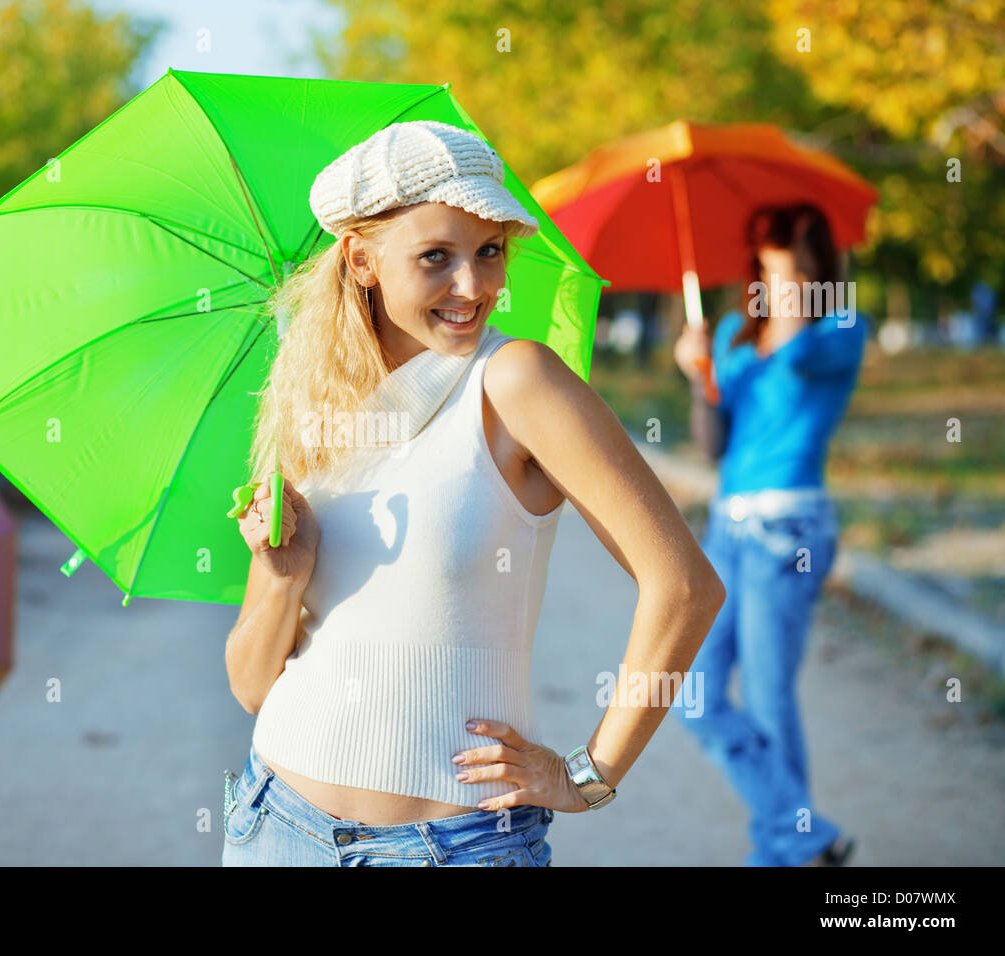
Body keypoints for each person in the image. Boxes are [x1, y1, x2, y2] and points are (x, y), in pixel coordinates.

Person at [221, 121, 725, 866]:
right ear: (362, 259)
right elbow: (254, 687)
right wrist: (281, 575)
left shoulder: (515, 381)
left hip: (453, 849)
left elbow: (685, 586)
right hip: (274, 828)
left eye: (489, 251)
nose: (476, 286)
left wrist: (589, 774)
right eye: (437, 257)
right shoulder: (313, 409)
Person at [672, 202, 866, 867]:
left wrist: (787, 299)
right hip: (727, 529)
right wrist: (697, 374)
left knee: (766, 696)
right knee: (693, 692)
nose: (771, 277)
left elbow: (800, 358)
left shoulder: (840, 327)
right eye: (762, 263)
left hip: (789, 530)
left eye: (786, 263)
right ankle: (800, 833)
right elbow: (712, 445)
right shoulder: (732, 332)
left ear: (817, 265)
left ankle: (781, 849)